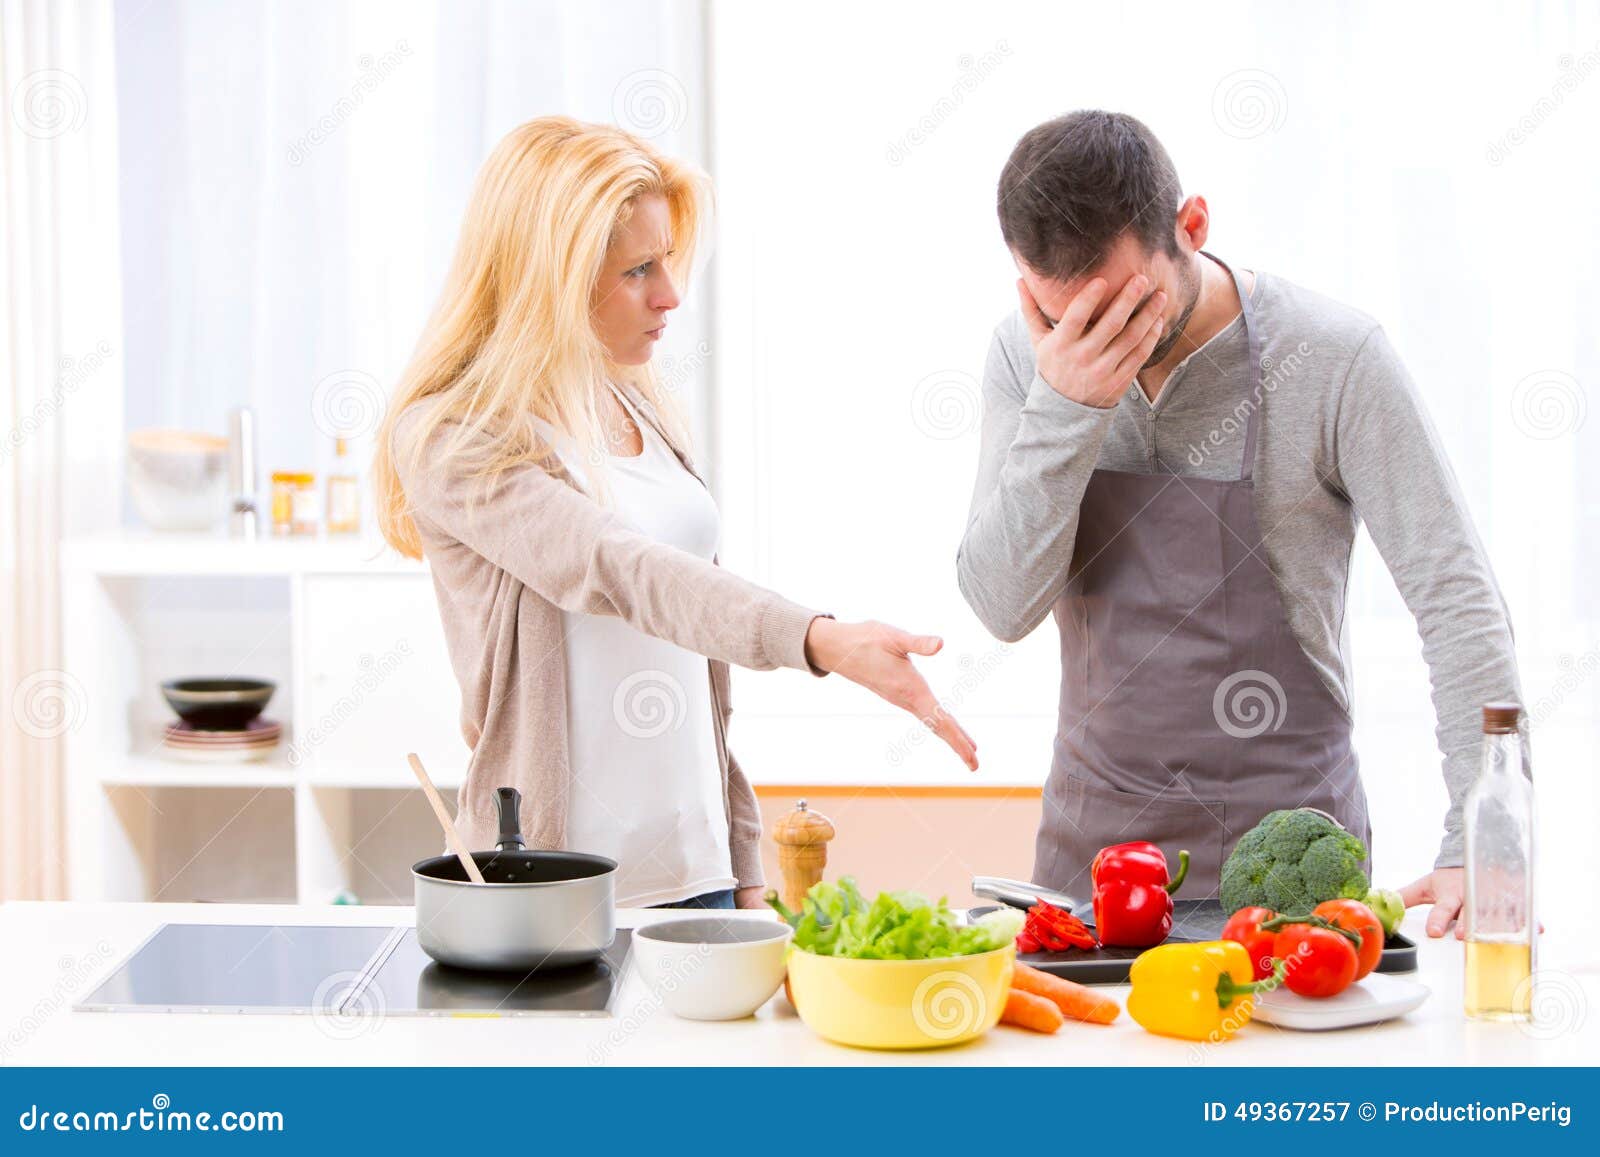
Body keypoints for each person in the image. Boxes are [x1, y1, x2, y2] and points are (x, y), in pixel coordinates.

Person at [375, 116, 975, 911]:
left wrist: (741, 856)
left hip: (700, 881)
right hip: (558, 893)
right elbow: (617, 568)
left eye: (668, 261)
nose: (671, 294)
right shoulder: (451, 439)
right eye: (637, 270)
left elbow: (695, 674)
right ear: (549, 276)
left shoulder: (636, 401)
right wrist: (821, 639)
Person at [956, 110, 1524, 937]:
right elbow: (1001, 606)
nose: (1098, 341)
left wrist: (1483, 838)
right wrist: (1066, 405)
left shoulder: (1334, 357)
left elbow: (1455, 596)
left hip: (1300, 885)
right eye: (1068, 319)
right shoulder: (1026, 357)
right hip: (1094, 878)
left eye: (1124, 310)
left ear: (1192, 226)